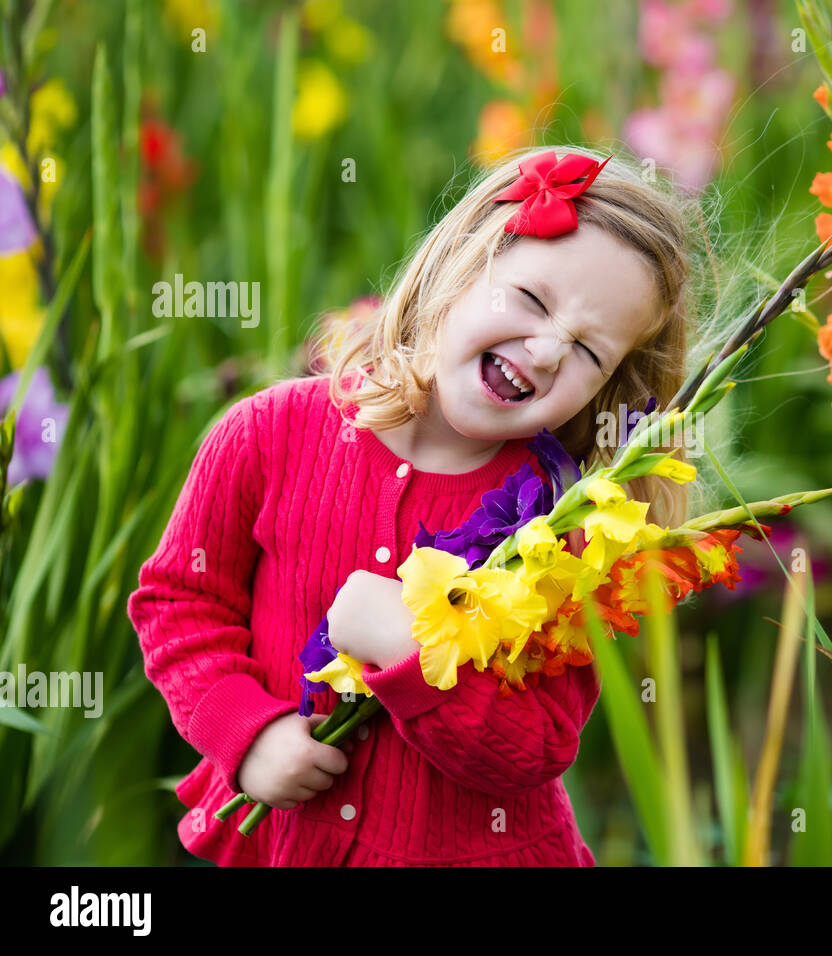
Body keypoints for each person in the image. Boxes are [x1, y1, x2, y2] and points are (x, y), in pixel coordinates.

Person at [126, 146, 708, 865]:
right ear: (461, 266)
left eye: (590, 352)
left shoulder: (567, 533)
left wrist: (413, 655)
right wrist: (246, 733)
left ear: (609, 386)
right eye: (530, 300)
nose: (551, 349)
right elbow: (180, 601)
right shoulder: (268, 434)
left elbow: (536, 745)